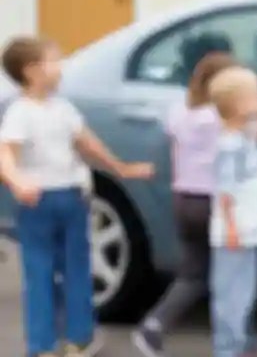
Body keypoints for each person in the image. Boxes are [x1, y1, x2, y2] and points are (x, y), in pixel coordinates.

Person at [0, 36, 155, 357]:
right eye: (54, 61)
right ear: (31, 71)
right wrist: (17, 182)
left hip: (73, 197)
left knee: (72, 268)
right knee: (43, 272)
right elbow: (5, 153)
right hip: (39, 199)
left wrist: (119, 167)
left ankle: (75, 339)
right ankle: (49, 343)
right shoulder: (20, 112)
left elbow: (87, 142)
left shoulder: (63, 107)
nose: (61, 68)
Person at [132, 51, 240, 357]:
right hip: (213, 202)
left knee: (192, 273)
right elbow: (248, 133)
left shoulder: (180, 111)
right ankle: (237, 338)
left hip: (184, 199)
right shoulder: (217, 118)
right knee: (232, 271)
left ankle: (154, 325)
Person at [206, 66, 257, 357]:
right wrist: (231, 230)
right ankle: (227, 349)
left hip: (247, 231)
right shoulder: (229, 145)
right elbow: (225, 194)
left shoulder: (242, 135)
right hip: (234, 235)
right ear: (240, 106)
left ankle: (245, 343)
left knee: (245, 291)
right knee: (231, 295)